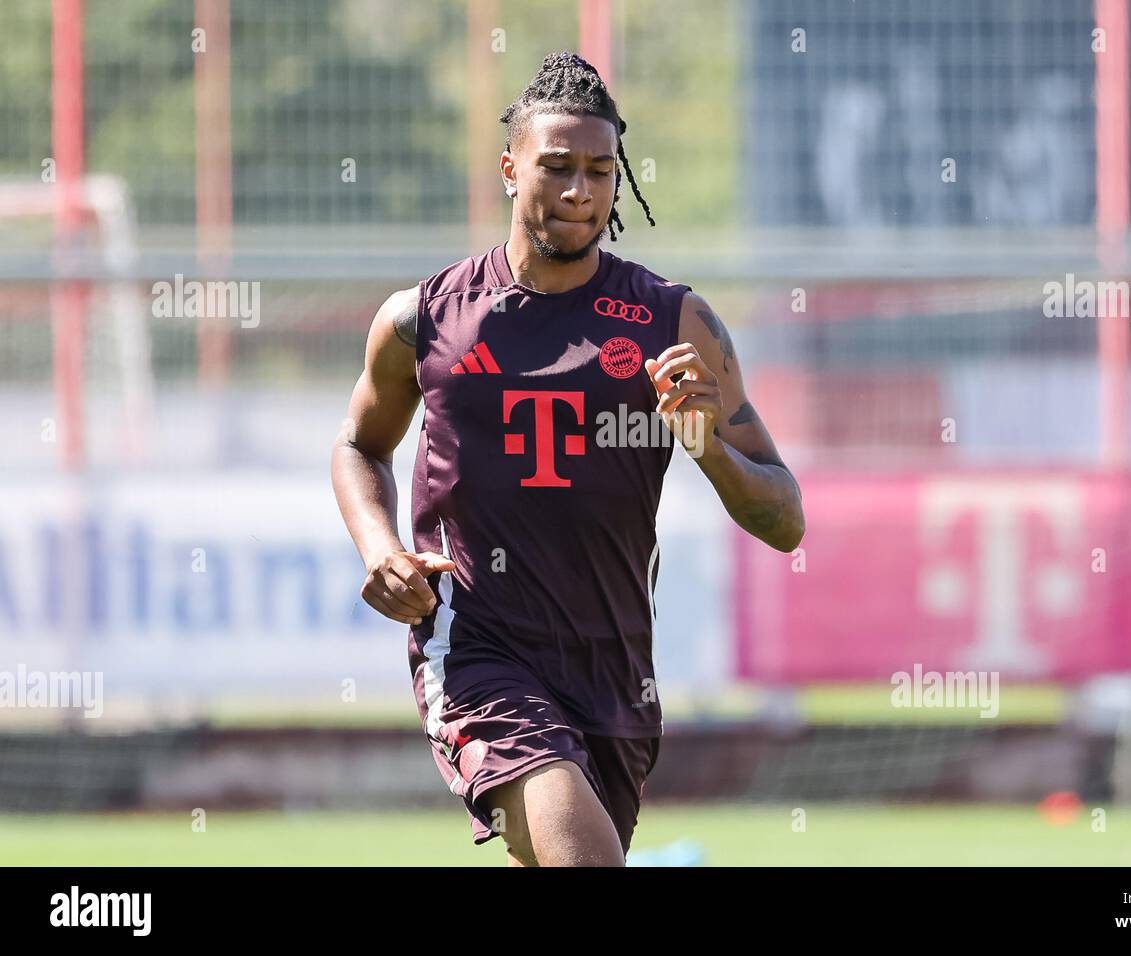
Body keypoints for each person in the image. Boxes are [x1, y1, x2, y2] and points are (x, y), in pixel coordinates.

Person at [331, 51, 803, 866]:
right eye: (556, 167)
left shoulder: (672, 321)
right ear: (511, 168)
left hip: (614, 671)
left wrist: (707, 448)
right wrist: (379, 551)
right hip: (478, 650)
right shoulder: (426, 318)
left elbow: (785, 519)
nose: (580, 190)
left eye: (599, 170)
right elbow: (358, 448)